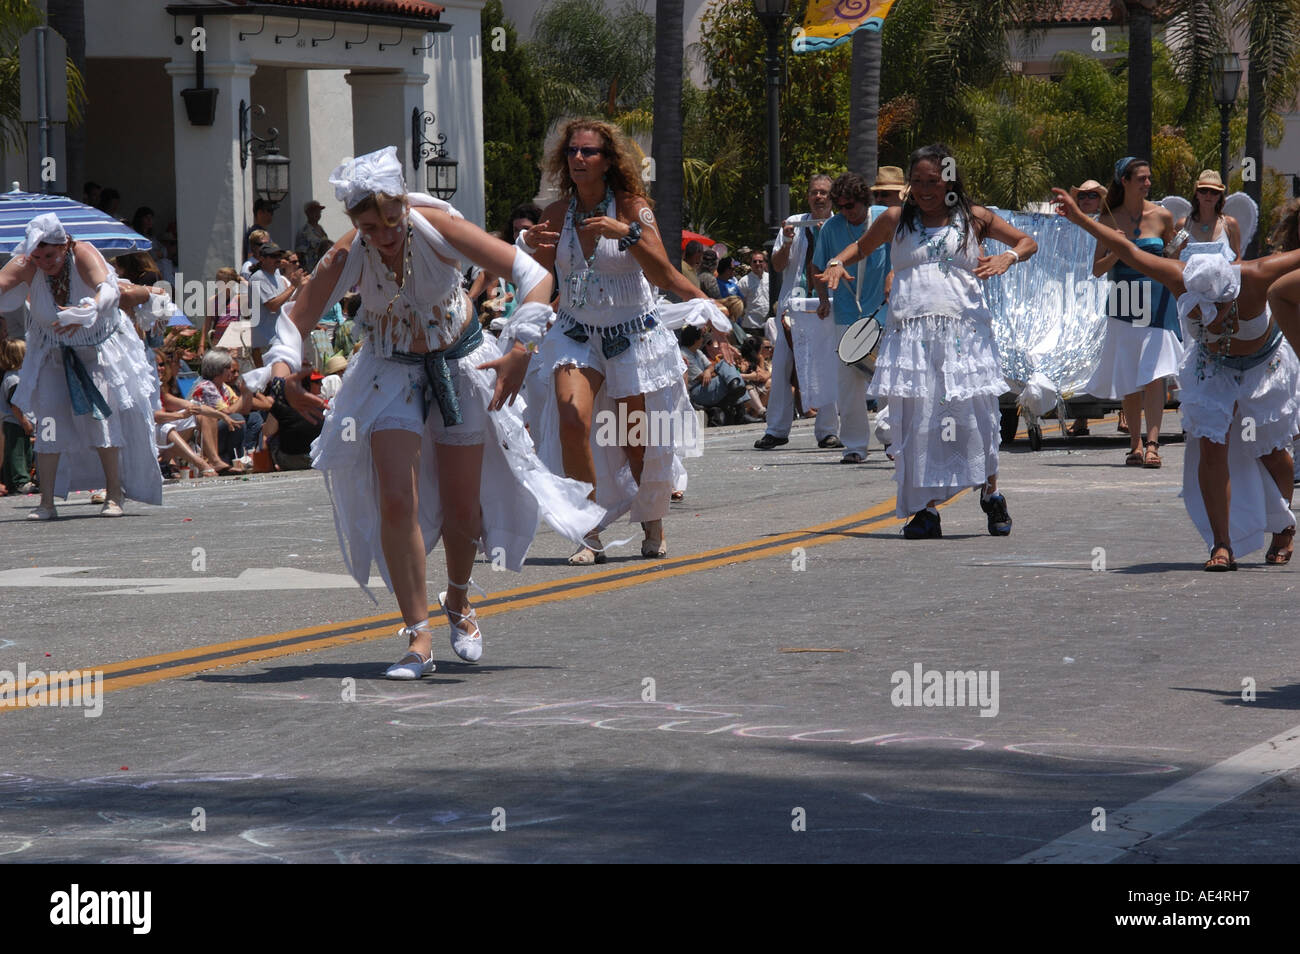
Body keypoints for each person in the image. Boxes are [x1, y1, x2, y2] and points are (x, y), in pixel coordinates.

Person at [278, 145, 602, 678]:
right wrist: (285, 372)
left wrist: (521, 346)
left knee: (462, 508)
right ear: (355, 223)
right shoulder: (349, 252)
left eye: (391, 222)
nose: (384, 236)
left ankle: (458, 599)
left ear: (404, 205)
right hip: (389, 371)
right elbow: (300, 317)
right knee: (396, 499)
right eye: (370, 227)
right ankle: (417, 636)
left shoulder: (435, 226)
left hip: (459, 364)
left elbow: (533, 275)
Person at [1059, 186, 1300, 569]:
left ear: (1231, 297)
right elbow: (1129, 251)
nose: (1210, 320)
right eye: (1197, 314)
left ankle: (1284, 527)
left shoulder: (1257, 275)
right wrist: (1080, 218)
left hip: (1262, 365)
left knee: (1269, 448)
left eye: (1218, 312)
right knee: (1210, 445)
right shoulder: (1176, 276)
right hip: (1211, 365)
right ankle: (1222, 544)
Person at [519, 118, 711, 563]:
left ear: (608, 161)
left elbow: (663, 271)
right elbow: (542, 277)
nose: (579, 159)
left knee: (634, 438)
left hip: (631, 334)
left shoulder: (632, 206)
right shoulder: (555, 214)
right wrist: (525, 253)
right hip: (575, 332)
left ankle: (651, 520)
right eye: (572, 152)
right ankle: (587, 532)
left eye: (589, 152)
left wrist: (626, 234)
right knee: (571, 417)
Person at [822, 143, 1037, 539]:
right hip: (911, 339)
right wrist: (837, 262)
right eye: (917, 181)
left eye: (933, 182)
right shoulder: (894, 219)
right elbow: (859, 248)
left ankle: (991, 494)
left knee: (976, 419)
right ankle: (924, 510)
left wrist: (1009, 258)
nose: (924, 189)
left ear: (950, 181)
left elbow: (1027, 242)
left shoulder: (974, 219)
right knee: (917, 422)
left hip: (964, 339)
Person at [0, 213, 162, 518]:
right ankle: (46, 501)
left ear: (64, 245)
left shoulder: (82, 253)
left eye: (49, 255)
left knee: (102, 416)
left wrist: (89, 308)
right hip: (52, 352)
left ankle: (114, 494)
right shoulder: (26, 264)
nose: (44, 262)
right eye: (37, 255)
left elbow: (108, 289)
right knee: (49, 421)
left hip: (97, 349)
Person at [1084, 157, 1181, 468]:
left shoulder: (1163, 216)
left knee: (1155, 375)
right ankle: (1135, 444)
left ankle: (1153, 443)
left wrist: (1177, 250)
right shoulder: (1108, 220)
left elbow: (1170, 258)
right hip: (1125, 300)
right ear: (1124, 181)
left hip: (1157, 300)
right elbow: (1097, 270)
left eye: (1149, 178)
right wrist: (1117, 250)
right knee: (1129, 375)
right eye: (1141, 178)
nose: (1147, 183)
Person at [755, 175, 840, 451]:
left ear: (832, 197)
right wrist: (788, 242)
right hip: (793, 306)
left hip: (825, 306)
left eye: (824, 193)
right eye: (814, 192)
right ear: (807, 196)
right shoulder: (793, 223)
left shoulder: (839, 226)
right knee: (781, 367)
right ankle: (776, 429)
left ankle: (827, 431)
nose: (819, 197)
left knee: (826, 367)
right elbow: (778, 266)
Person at [813, 171, 891, 464]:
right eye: (841, 206)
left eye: (850, 206)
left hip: (883, 312)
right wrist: (823, 299)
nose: (846, 212)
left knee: (888, 378)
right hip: (847, 313)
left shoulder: (883, 218)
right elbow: (817, 265)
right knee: (848, 384)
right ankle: (855, 446)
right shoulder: (832, 228)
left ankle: (892, 440)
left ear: (864, 201)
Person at [1065, 179, 1106, 436]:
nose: (1087, 200)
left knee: (1107, 350)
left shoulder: (1108, 224)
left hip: (1105, 289)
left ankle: (1124, 411)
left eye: (1092, 195)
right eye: (1082, 196)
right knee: (1081, 352)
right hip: (1076, 293)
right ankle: (1081, 419)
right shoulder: (1069, 226)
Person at [247, 242, 299, 367]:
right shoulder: (258, 278)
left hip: (277, 337)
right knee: (268, 380)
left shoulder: (276, 275)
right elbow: (272, 305)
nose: (277, 259)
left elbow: (285, 302)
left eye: (279, 256)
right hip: (265, 341)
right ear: (262, 259)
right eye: (273, 256)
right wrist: (293, 286)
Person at [1172, 171, 1241, 263]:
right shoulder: (1184, 225)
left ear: (1220, 196)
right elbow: (1170, 255)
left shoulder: (1229, 224)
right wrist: (1179, 249)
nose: (1208, 195)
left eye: (1214, 192)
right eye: (1203, 190)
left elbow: (1237, 259)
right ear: (1196, 194)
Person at [1, 338, 36, 494]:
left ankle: (13, 480)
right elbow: (14, 404)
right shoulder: (14, 379)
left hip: (16, 422)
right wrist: (24, 422)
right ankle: (20, 480)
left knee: (22, 450)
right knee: (18, 453)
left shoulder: (14, 376)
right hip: (15, 422)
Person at [737, 249, 770, 335]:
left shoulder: (771, 279)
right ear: (750, 263)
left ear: (765, 263)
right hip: (751, 325)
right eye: (755, 261)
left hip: (768, 324)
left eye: (760, 261)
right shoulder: (744, 281)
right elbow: (740, 303)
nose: (757, 264)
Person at [295, 200, 333, 273]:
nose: (317, 214)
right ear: (307, 213)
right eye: (314, 211)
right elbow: (299, 254)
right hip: (311, 270)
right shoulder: (304, 232)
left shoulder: (321, 229)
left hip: (323, 268)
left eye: (319, 211)